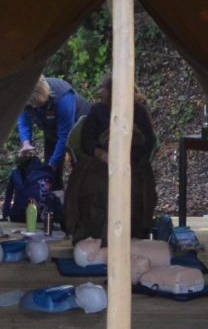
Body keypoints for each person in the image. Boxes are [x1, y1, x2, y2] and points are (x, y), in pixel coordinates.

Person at [62, 81, 158, 240]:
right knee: (94, 184)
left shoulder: (138, 112)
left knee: (131, 185)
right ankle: (93, 231)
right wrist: (101, 154)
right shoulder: (98, 111)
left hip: (131, 161)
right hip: (100, 160)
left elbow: (147, 142)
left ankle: (130, 232)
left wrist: (126, 154)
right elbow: (87, 140)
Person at [16, 76, 81, 173]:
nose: (33, 106)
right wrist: (26, 142)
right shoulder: (25, 94)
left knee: (79, 166)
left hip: (78, 129)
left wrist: (53, 163)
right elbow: (24, 121)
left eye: (38, 103)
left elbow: (65, 136)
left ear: (45, 95)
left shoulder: (63, 99)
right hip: (51, 130)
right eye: (31, 104)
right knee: (49, 171)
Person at [3, 142, 65, 229]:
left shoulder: (43, 172)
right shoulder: (17, 172)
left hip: (30, 216)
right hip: (30, 216)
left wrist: (5, 214)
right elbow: (8, 194)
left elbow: (8, 195)